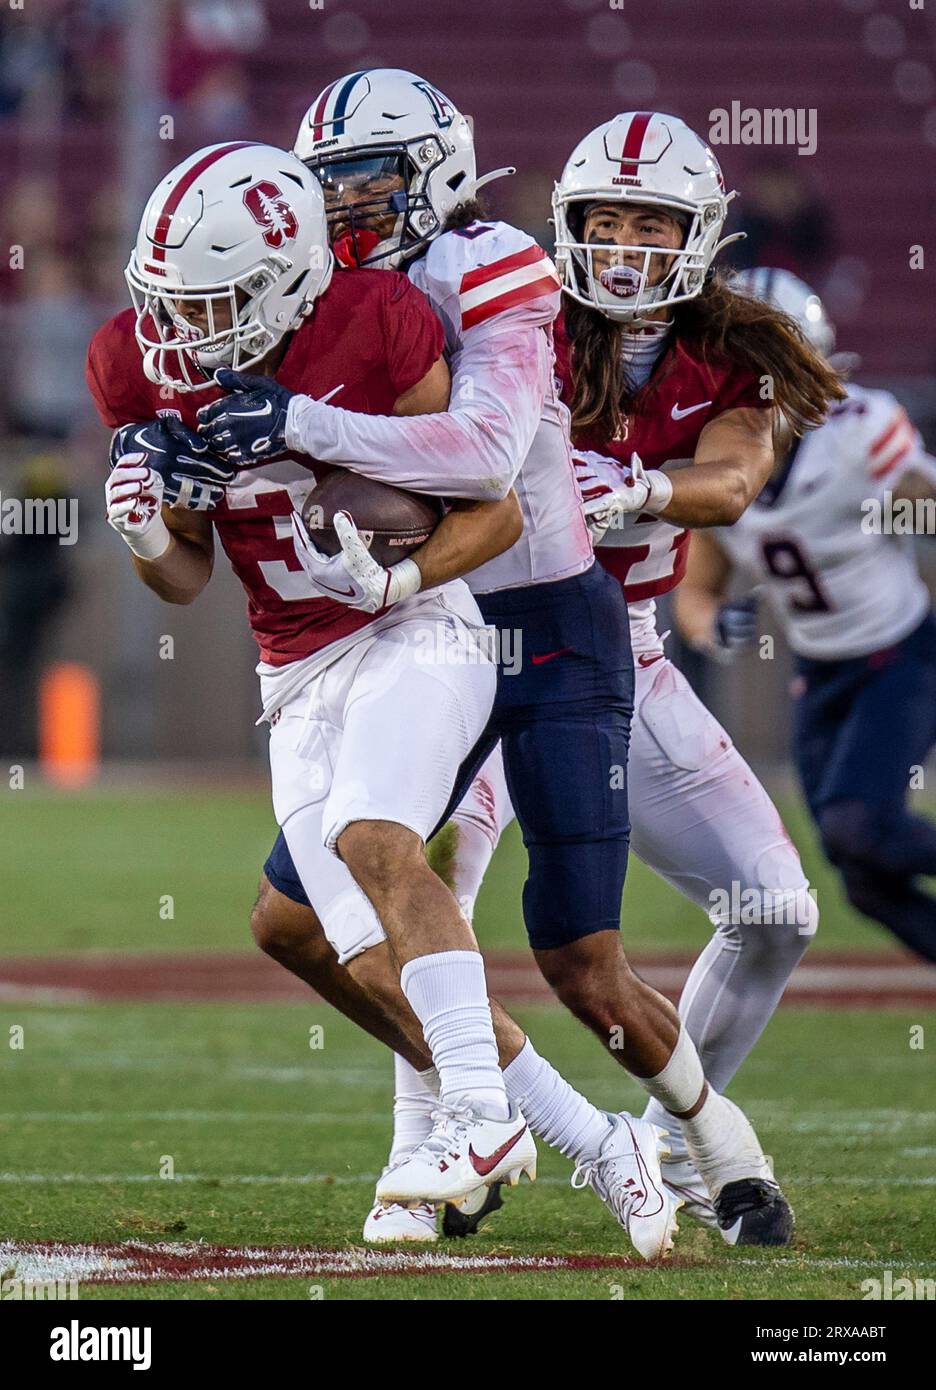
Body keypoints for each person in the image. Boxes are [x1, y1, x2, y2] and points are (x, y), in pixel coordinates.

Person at [207, 81, 799, 1247]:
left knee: (588, 956)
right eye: (328, 184)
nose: (344, 205)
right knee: (327, 909)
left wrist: (297, 425)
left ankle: (713, 1146)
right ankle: (433, 1147)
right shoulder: (327, 288)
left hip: (559, 628)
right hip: (429, 624)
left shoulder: (493, 264)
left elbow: (483, 456)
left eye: (367, 180)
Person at [88, 138, 681, 1261]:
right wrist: (145, 532)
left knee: (374, 835)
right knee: (362, 954)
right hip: (292, 670)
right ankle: (601, 1143)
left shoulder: (379, 322)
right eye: (168, 301)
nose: (180, 330)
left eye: (211, 303)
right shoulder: (133, 357)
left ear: (285, 281)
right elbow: (187, 576)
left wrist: (392, 571)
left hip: (418, 628)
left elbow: (491, 508)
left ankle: (483, 1120)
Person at [675, 267, 936, 967]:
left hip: (898, 655)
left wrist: (914, 506)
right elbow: (697, 592)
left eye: (762, 360)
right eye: (730, 361)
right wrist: (711, 627)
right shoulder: (710, 463)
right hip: (818, 674)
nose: (746, 381)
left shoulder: (857, 433)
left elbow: (923, 497)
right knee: (862, 879)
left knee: (859, 829)